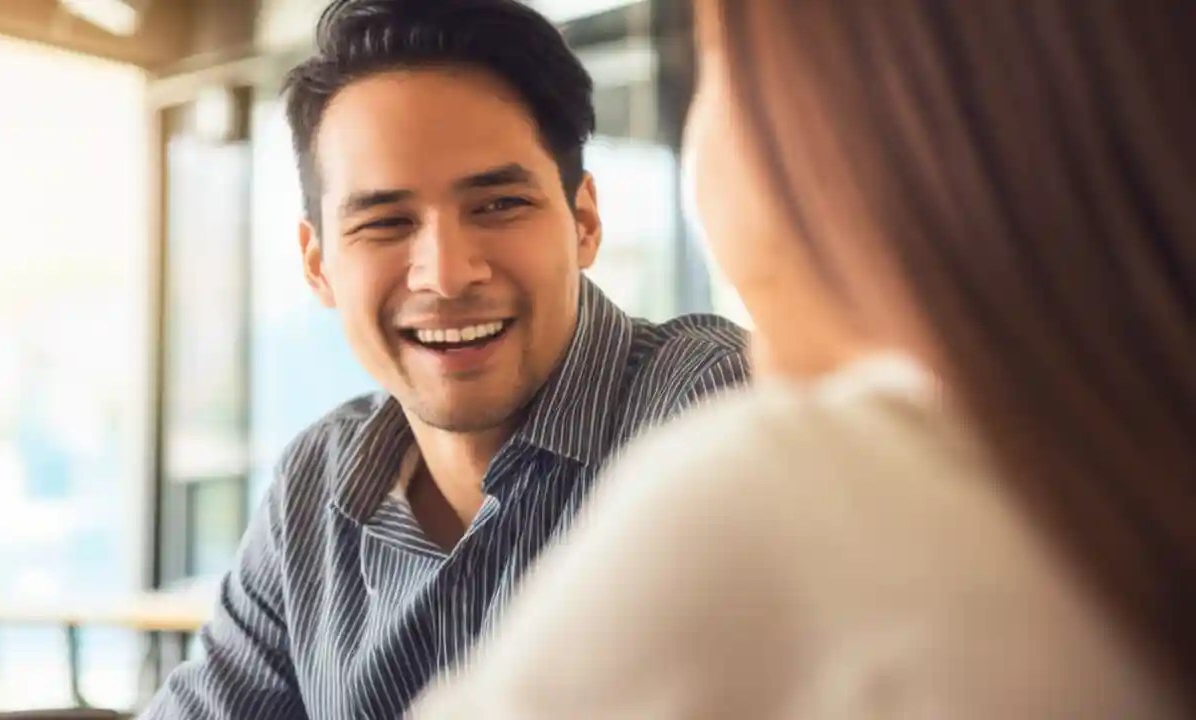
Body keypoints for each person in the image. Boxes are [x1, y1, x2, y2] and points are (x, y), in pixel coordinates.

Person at [412, 0, 1196, 717]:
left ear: (850, 110)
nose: (446, 275)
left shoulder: (791, 483)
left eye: (715, 64)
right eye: (384, 223)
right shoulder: (1116, 466)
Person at [140, 1, 748, 718]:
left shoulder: (711, 414)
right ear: (318, 265)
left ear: (583, 221)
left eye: (497, 206)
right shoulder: (315, 488)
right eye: (386, 222)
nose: (447, 275)